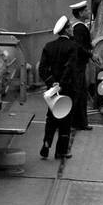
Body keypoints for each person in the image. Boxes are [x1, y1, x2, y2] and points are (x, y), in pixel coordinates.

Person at [38, 17, 80, 159]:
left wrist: (52, 83)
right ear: (66, 30)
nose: (72, 29)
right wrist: (61, 84)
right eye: (70, 27)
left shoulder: (48, 46)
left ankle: (46, 143)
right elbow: (69, 68)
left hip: (52, 89)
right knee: (65, 120)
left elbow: (42, 69)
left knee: (51, 117)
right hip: (68, 88)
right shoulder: (72, 47)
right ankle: (61, 151)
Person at [69, 22, 94, 131]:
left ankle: (80, 123)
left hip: (80, 65)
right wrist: (91, 54)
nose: (88, 11)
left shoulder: (78, 27)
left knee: (82, 93)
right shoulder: (79, 28)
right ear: (81, 12)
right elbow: (79, 46)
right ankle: (73, 123)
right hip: (78, 66)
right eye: (85, 10)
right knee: (77, 93)